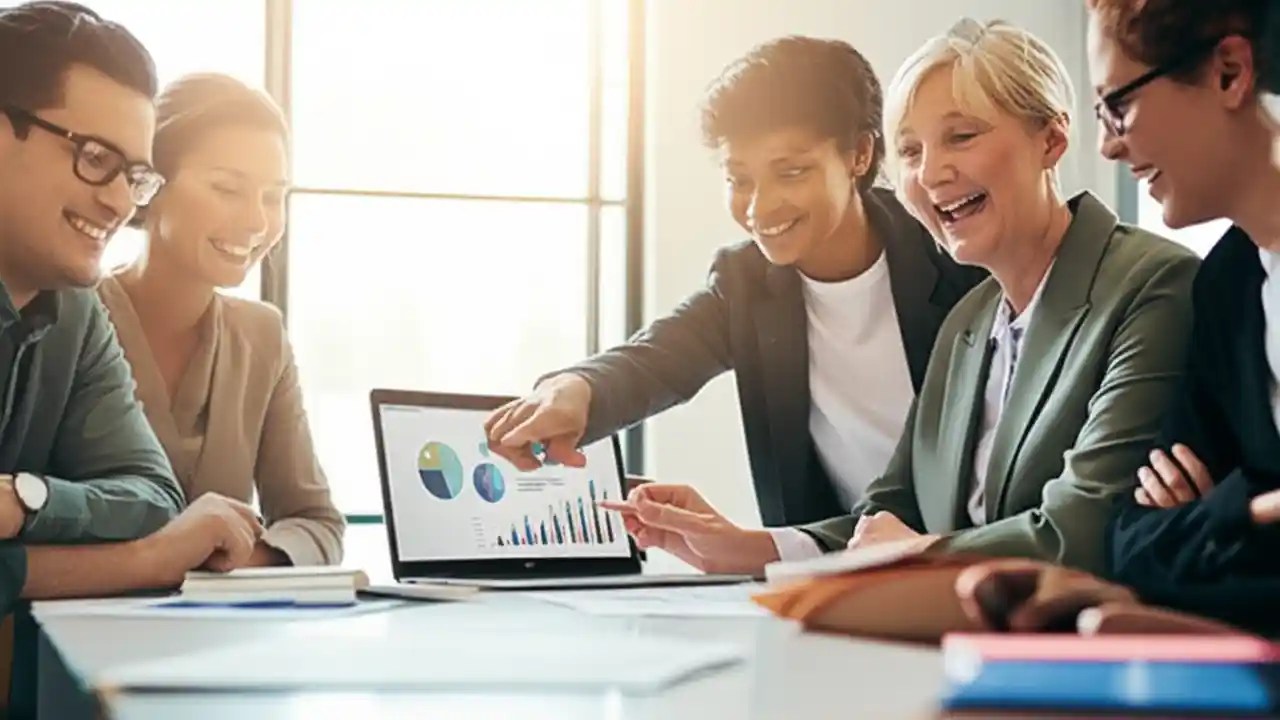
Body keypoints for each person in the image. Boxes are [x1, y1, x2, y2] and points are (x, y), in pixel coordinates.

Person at [600, 19, 1199, 578]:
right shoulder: (970, 322)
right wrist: (749, 548)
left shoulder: (1151, 286)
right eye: (910, 152)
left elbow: (1083, 529)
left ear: (1051, 137)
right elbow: (892, 509)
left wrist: (921, 554)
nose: (932, 172)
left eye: (960, 137)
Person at [484, 36, 984, 556]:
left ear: (859, 154)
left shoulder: (953, 254)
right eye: (738, 178)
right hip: (831, 578)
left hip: (968, 566)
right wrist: (571, 391)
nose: (760, 207)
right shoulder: (746, 285)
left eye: (790, 172)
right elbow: (654, 360)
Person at [956, 0, 1280, 638]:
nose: (1106, 144)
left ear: (1229, 73)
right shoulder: (1227, 288)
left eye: (1118, 105)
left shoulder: (1168, 284)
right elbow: (1133, 542)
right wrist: (1253, 510)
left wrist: (1216, 513)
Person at [0, 1, 268, 617]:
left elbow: (150, 496)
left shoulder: (76, 312)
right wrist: (149, 560)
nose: (121, 201)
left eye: (136, 175)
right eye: (94, 158)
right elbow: (158, 532)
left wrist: (22, 500)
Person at [98, 74, 344, 567]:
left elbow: (316, 522)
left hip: (219, 635)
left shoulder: (262, 337)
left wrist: (233, 555)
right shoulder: (69, 317)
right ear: (151, 183)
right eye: (228, 188)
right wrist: (165, 554)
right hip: (73, 630)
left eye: (273, 197)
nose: (257, 221)